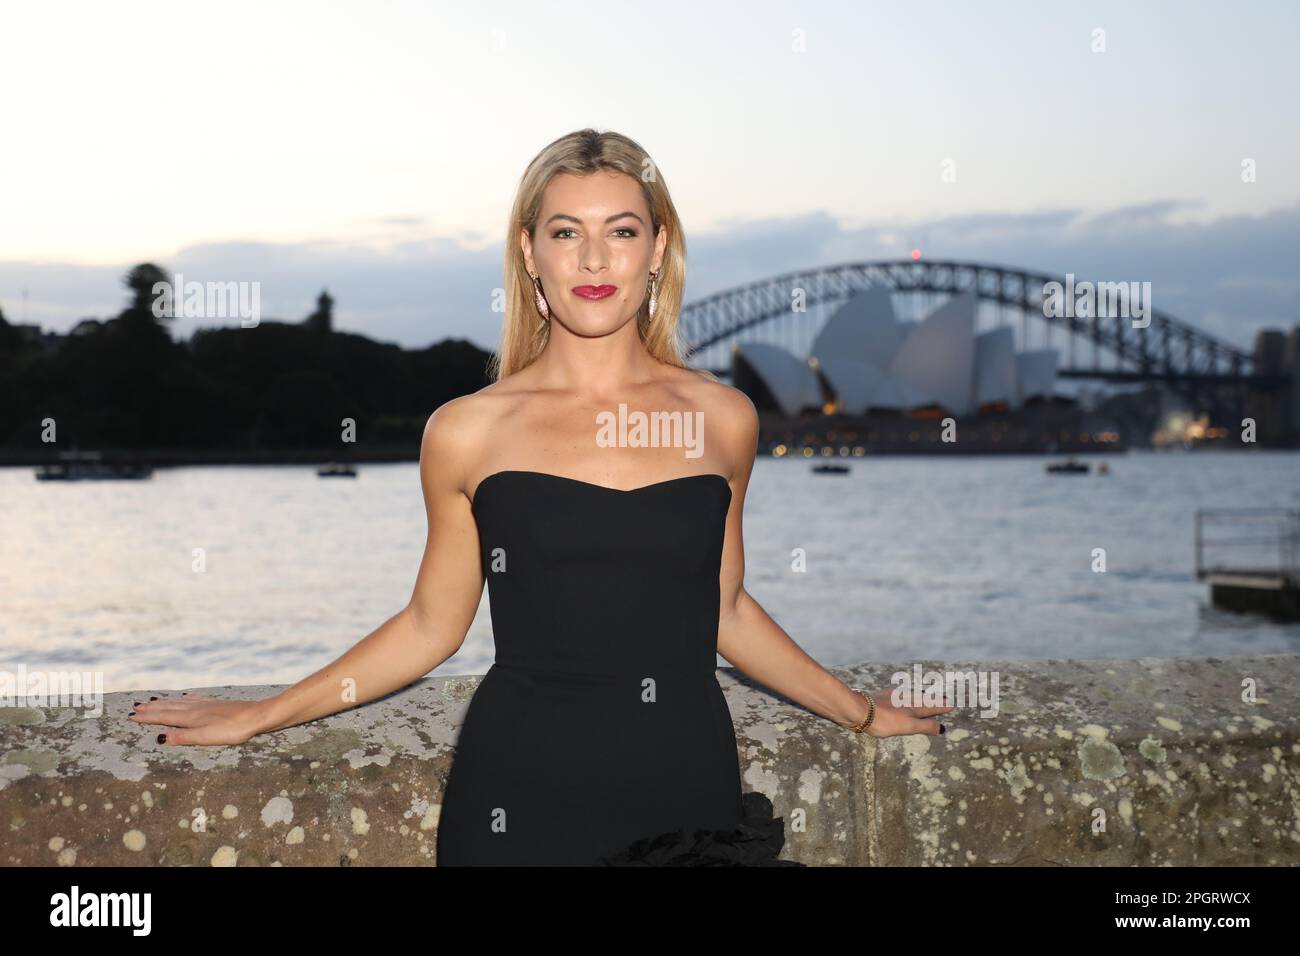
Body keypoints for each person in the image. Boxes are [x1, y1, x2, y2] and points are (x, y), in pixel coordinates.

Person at [129, 128, 955, 866]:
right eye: (566, 233)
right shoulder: (466, 430)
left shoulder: (723, 418)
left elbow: (727, 609)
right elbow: (429, 626)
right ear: (529, 253)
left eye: (621, 231)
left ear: (658, 248)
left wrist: (858, 713)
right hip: (516, 796)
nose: (594, 261)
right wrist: (261, 713)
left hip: (685, 787)